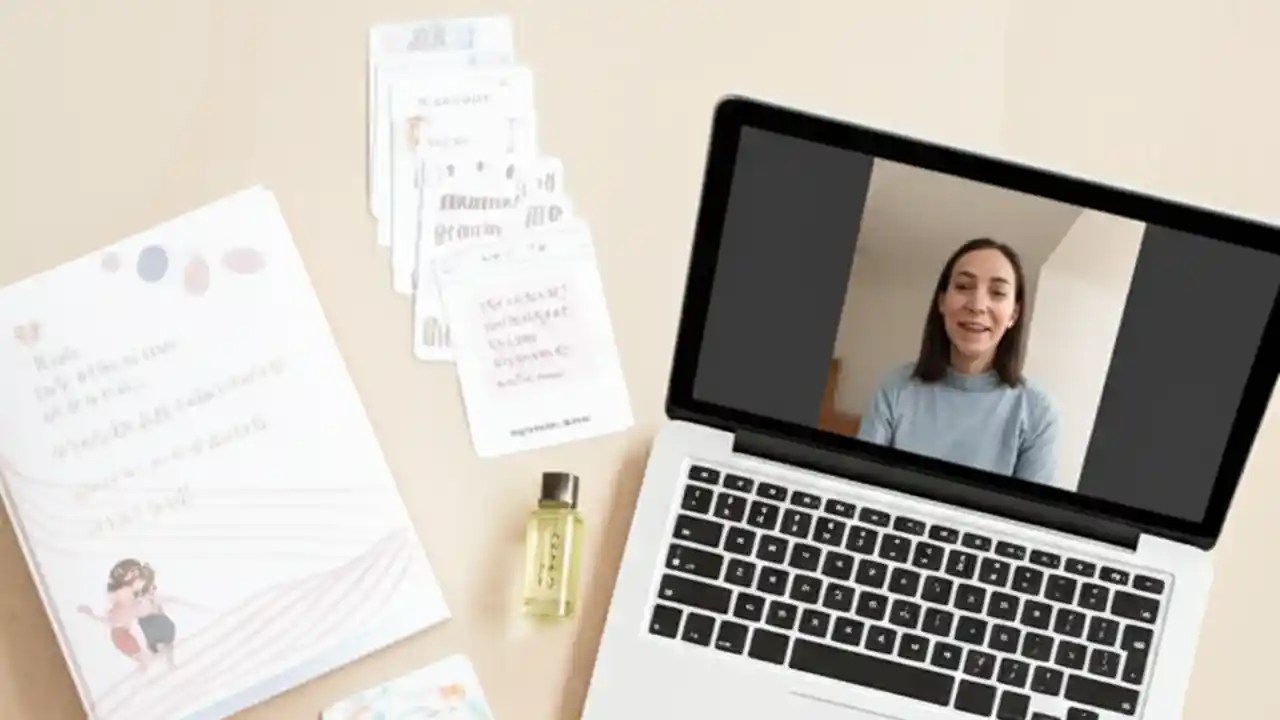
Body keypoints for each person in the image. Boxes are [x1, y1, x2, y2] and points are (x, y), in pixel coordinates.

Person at [857, 237, 1060, 484]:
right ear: (942, 301)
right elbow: (861, 483)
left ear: (1013, 314)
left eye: (997, 292)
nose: (977, 305)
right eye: (963, 286)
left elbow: (1026, 518)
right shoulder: (895, 387)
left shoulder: (1038, 412)